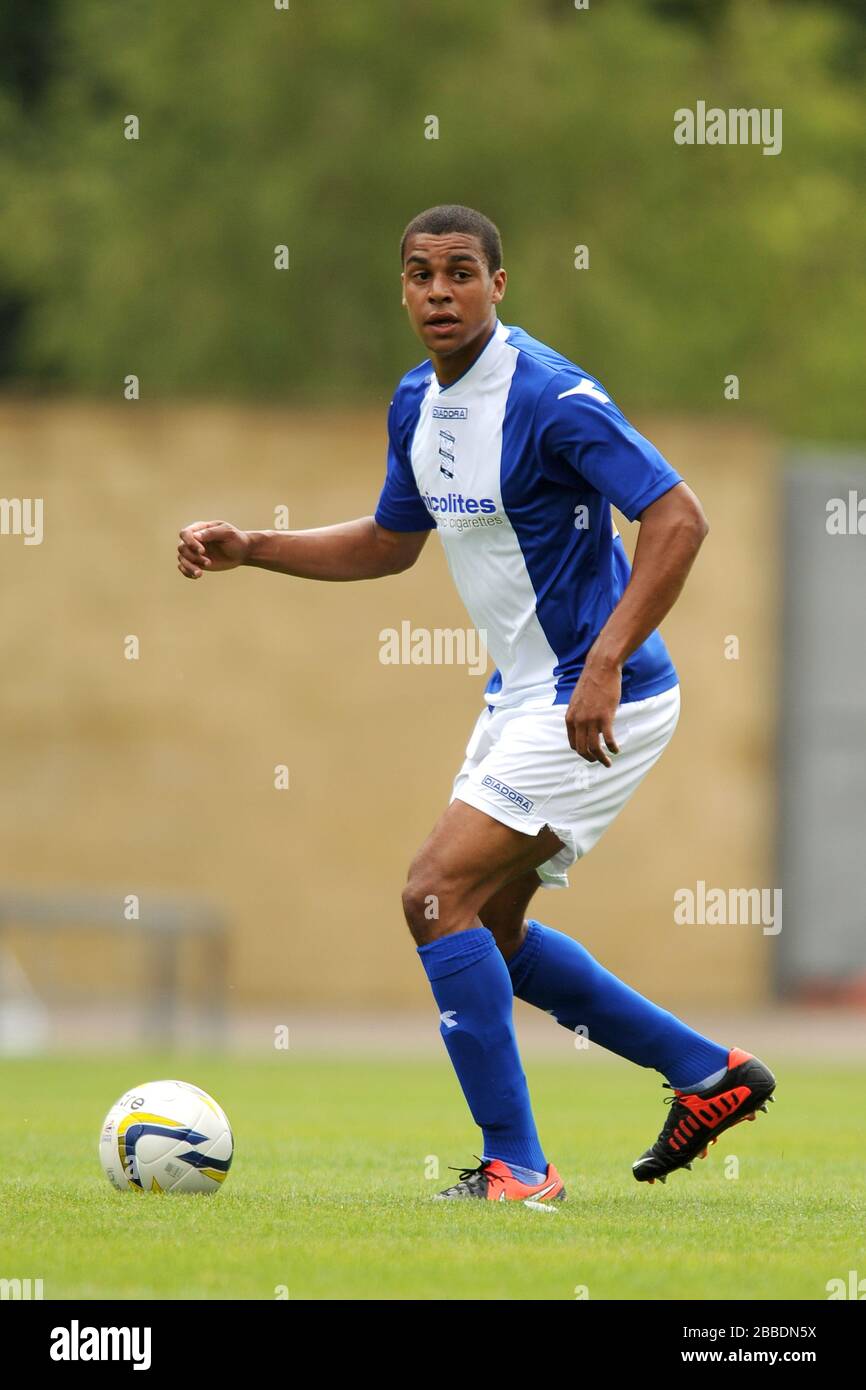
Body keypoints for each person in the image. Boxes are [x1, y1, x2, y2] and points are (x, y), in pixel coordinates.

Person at [177, 203, 775, 1204]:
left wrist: (604, 660)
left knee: (429, 892)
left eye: (460, 272)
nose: (439, 291)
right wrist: (255, 547)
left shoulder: (550, 397)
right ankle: (705, 1074)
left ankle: (518, 1169)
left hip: (597, 693)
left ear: (499, 285)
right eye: (419, 274)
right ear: (403, 290)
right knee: (485, 930)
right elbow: (387, 542)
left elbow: (678, 517)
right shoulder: (416, 402)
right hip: (522, 693)